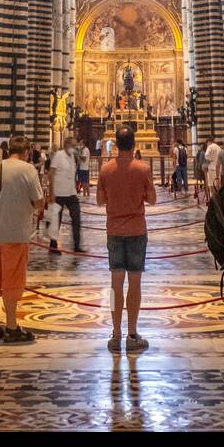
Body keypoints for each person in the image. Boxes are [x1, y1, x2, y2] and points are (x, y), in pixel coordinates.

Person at [97, 124, 156, 354]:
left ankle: (115, 334)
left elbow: (100, 200)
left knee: (115, 285)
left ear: (115, 144)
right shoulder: (143, 168)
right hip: (136, 230)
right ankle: (132, 334)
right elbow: (152, 199)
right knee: (135, 283)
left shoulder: (106, 169)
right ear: (134, 144)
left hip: (113, 230)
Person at [0, 135, 44, 343]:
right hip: (15, 233)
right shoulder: (28, 169)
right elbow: (39, 201)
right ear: (27, 152)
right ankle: (11, 326)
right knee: (12, 281)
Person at [48, 137, 83, 254]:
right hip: (59, 192)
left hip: (71, 192)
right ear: (67, 145)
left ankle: (77, 246)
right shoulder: (58, 155)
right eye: (73, 146)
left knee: (77, 218)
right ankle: (53, 246)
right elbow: (51, 174)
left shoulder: (72, 157)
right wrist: (51, 192)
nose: (75, 148)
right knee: (56, 220)